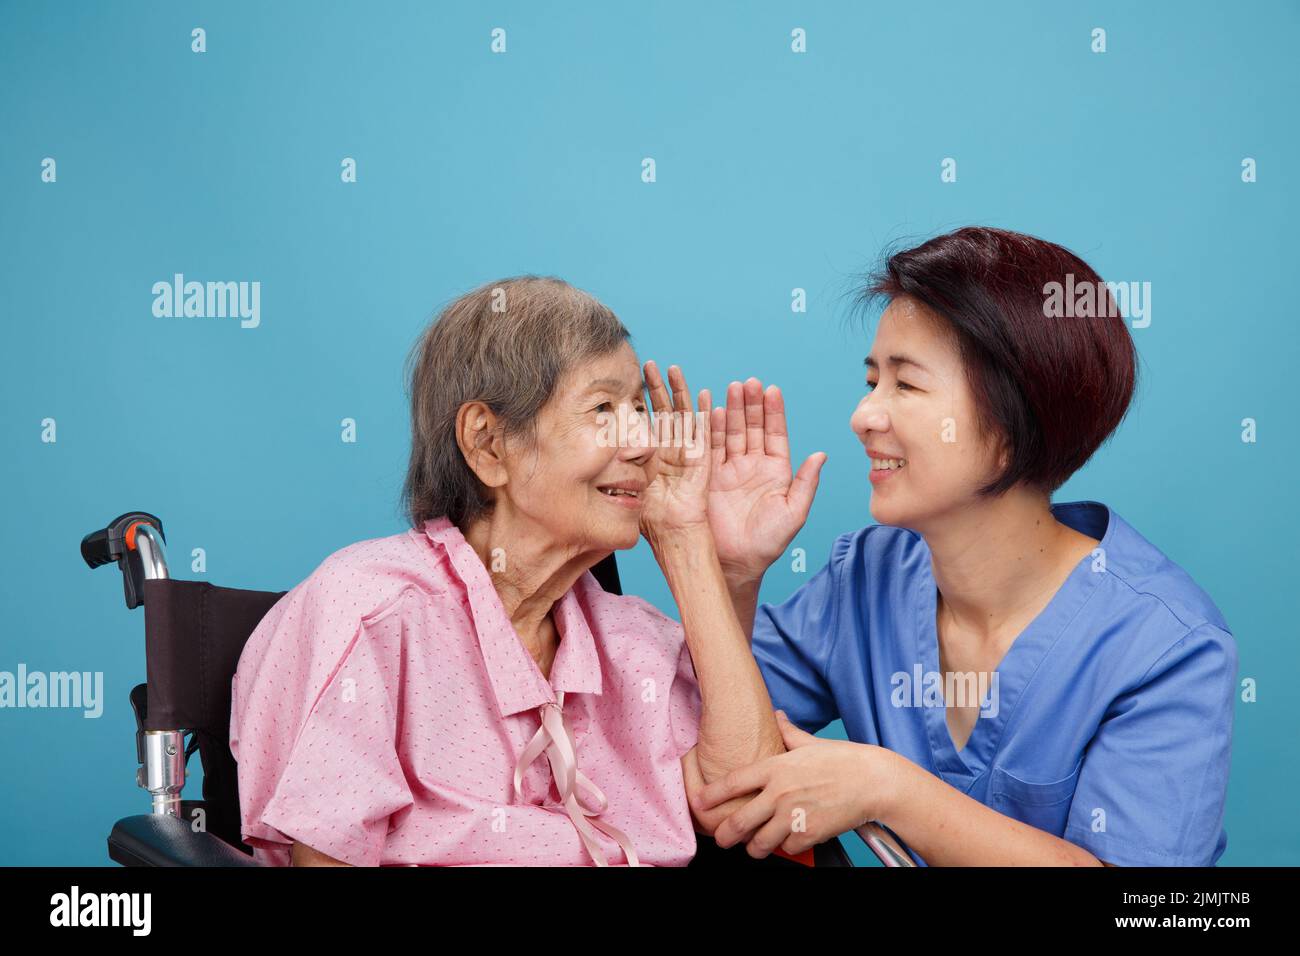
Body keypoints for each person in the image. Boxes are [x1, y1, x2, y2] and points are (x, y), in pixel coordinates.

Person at [688, 226, 1238, 866]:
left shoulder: (1166, 646)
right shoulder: (867, 576)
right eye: (872, 383)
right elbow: (710, 743)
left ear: (1014, 423)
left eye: (906, 385)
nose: (864, 416)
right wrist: (732, 572)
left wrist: (888, 789)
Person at [228, 276, 781, 866]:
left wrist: (684, 539)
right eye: (603, 408)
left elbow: (743, 802)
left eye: (639, 410)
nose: (644, 441)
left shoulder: (632, 641)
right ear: (488, 443)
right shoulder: (371, 613)